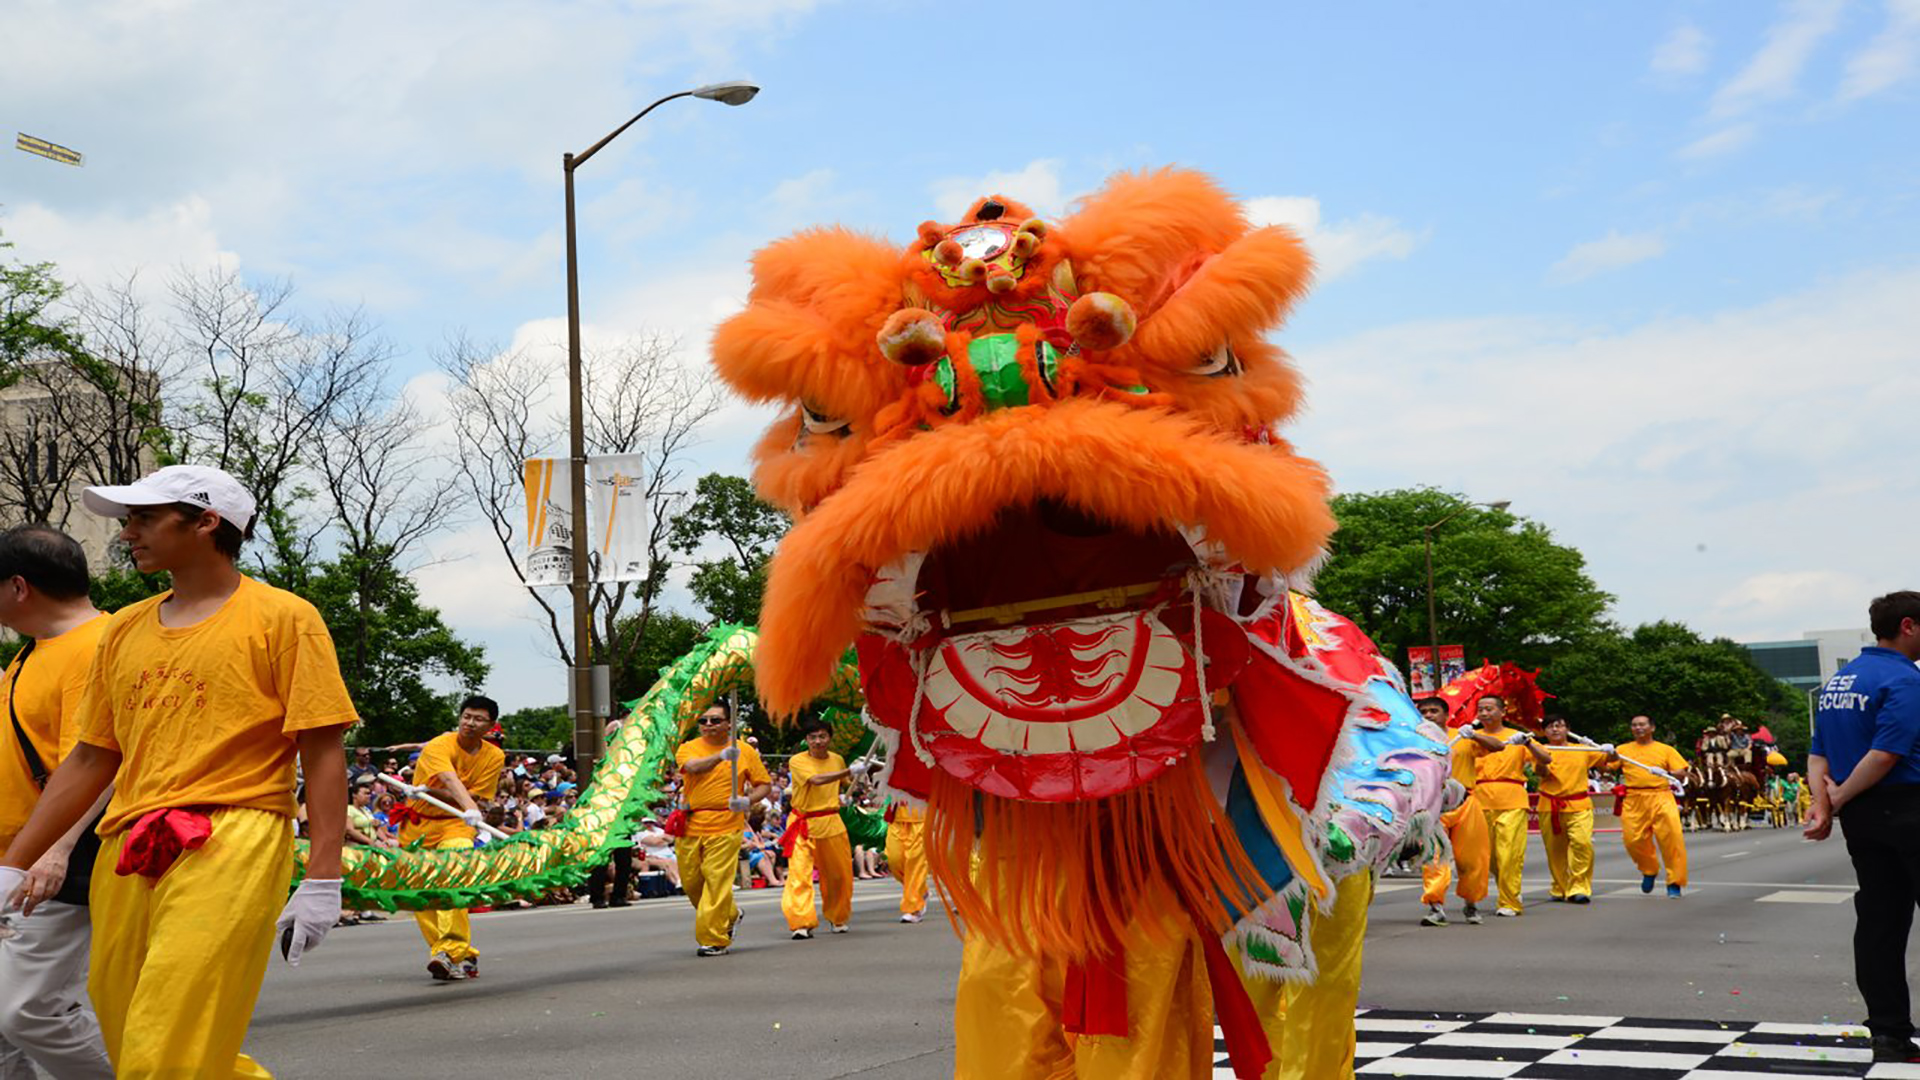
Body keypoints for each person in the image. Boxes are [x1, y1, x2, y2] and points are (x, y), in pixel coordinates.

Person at [0, 464, 355, 1078]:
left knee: (166, 1042)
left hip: (231, 837)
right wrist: (13, 866)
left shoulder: (285, 618)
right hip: (126, 844)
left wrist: (324, 877)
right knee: (136, 1026)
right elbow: (90, 758)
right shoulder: (125, 630)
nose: (127, 533)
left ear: (206, 522)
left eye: (143, 518)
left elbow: (321, 750)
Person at [0, 526, 116, 1079]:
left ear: (18, 587)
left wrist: (54, 849)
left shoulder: (96, 646)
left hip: (53, 860)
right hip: (19, 858)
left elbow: (98, 762)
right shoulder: (32, 654)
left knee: (25, 1011)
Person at [1805, 590, 1920, 1065]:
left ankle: (1888, 1032)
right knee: (1883, 920)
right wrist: (1839, 796)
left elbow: (1817, 752)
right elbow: (1886, 754)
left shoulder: (1839, 680)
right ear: (1909, 626)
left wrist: (1824, 803)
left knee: (1880, 923)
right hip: (1908, 805)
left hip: (1863, 819)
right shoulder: (1904, 679)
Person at [399, 694, 505, 981]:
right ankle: (458, 953)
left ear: (491, 726)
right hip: (418, 825)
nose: (470, 723)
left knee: (454, 873)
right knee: (420, 894)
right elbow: (448, 778)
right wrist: (464, 802)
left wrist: (467, 807)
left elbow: (477, 796)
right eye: (466, 716)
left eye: (478, 719)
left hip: (456, 824)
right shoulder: (439, 745)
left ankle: (449, 951)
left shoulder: (494, 756)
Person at [673, 701, 771, 956]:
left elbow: (763, 784)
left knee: (716, 882)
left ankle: (714, 939)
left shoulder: (745, 750)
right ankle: (731, 914)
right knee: (692, 883)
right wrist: (721, 757)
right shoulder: (688, 748)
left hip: (726, 824)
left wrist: (747, 801)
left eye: (715, 720)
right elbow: (692, 767)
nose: (708, 725)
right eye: (703, 720)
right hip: (691, 824)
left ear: (729, 723)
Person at [1460, 694, 1540, 917]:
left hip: (1512, 799)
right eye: (1480, 709)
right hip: (1480, 800)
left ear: (1503, 712)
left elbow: (1546, 759)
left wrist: (1529, 743)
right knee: (1491, 857)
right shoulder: (1467, 738)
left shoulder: (1516, 737)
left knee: (1509, 854)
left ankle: (1509, 901)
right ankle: (1509, 887)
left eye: (1489, 709)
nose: (1484, 713)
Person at [1418, 696, 1491, 926]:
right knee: (1434, 857)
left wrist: (1474, 734)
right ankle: (1435, 906)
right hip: (1433, 806)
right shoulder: (1413, 740)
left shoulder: (1462, 736)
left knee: (1472, 859)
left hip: (1465, 803)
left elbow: (1497, 746)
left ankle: (1471, 902)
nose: (1429, 715)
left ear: (1445, 715)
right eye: (1424, 712)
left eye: (1434, 711)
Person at [780, 718, 856, 938]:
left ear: (830, 738)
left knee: (838, 875)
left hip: (831, 822)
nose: (817, 741)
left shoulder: (838, 760)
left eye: (822, 736)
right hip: (802, 823)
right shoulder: (797, 760)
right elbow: (817, 780)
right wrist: (847, 772)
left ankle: (838, 916)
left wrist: (853, 786)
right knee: (799, 874)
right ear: (806, 740)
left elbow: (846, 783)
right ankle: (801, 922)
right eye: (812, 737)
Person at [1532, 715, 1615, 904]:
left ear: (1567, 729)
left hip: (1578, 804)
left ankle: (1579, 887)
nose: (1555, 730)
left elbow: (1609, 762)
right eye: (1550, 727)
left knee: (1582, 844)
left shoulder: (1582, 749)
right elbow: (1541, 773)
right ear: (1544, 731)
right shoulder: (1540, 749)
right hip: (1549, 805)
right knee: (1555, 850)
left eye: (1559, 726)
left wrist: (1610, 750)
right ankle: (1560, 887)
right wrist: (1540, 759)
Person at [1609, 714, 1692, 898]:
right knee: (1632, 840)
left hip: (1661, 796)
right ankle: (1649, 869)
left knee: (1672, 840)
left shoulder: (1666, 750)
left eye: (1642, 724)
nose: (1638, 728)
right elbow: (1606, 767)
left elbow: (1681, 773)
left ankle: (1674, 882)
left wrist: (1667, 772)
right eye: (1634, 725)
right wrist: (1607, 754)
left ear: (1652, 727)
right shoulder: (1622, 749)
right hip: (1634, 798)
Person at [886, 798, 929, 923]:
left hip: (921, 818)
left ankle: (913, 908)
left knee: (915, 863)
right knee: (894, 860)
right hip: (897, 817)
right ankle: (921, 890)